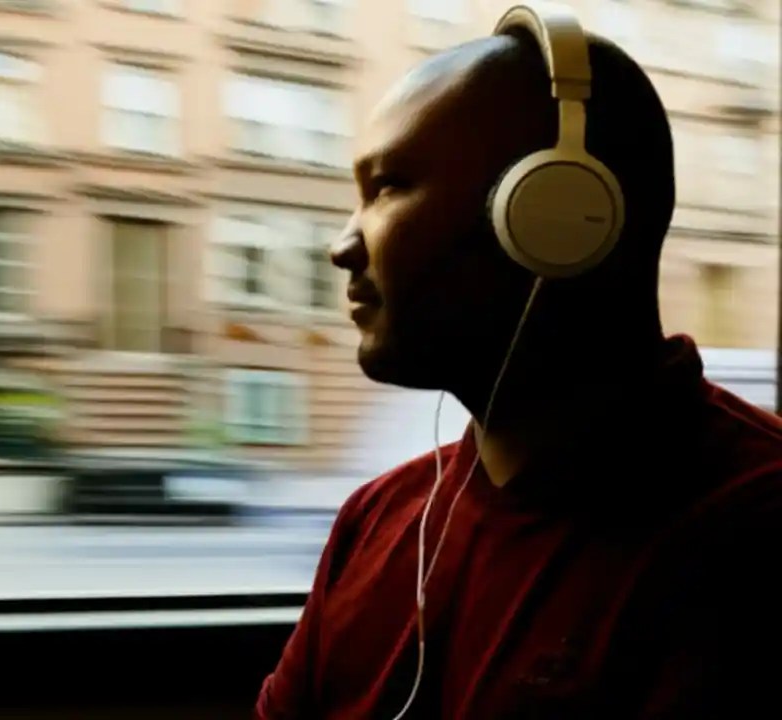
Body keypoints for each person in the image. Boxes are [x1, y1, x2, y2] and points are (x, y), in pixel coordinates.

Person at [255, 10, 782, 720]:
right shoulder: (375, 520)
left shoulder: (752, 530)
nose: (342, 246)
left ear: (553, 215)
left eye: (388, 187)